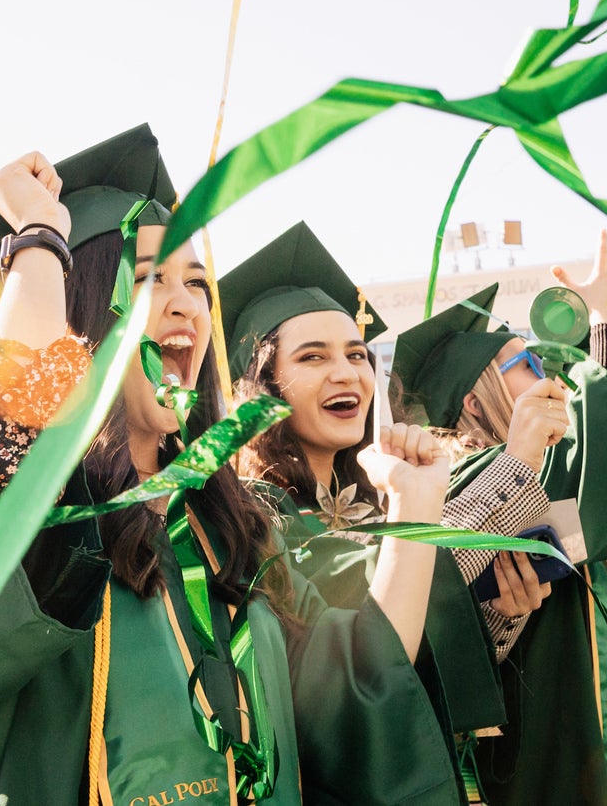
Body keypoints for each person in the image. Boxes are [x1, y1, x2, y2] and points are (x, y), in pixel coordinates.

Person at [0, 125, 460, 805]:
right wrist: (40, 239)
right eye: (149, 278)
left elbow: (362, 687)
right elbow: (15, 420)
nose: (187, 302)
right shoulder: (54, 523)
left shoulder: (236, 530)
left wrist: (417, 503)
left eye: (196, 283)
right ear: (84, 311)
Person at [218, 221, 552, 796]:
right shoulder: (251, 519)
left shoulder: (377, 499)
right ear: (264, 384)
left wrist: (500, 617)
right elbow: (353, 665)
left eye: (356, 353)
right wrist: (513, 463)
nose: (347, 372)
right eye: (313, 357)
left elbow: (415, 668)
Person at [391, 233, 607, 806]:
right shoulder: (466, 485)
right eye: (526, 363)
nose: (547, 371)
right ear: (476, 401)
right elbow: (595, 475)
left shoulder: (539, 473)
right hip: (535, 764)